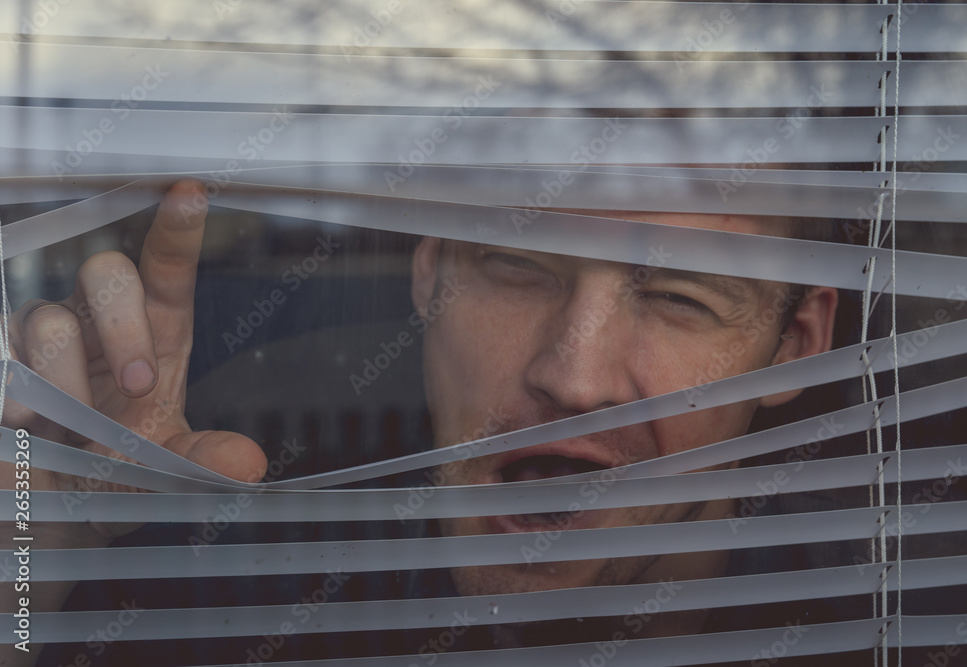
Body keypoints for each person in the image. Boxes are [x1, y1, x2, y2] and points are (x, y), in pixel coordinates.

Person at [0, 180, 838, 664]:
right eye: (515, 264)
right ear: (429, 271)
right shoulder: (249, 606)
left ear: (794, 349)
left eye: (679, 298)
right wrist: (36, 557)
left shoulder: (888, 623)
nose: (573, 377)